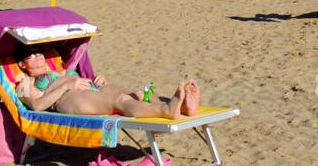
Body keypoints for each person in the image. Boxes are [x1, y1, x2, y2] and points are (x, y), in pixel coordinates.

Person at [12, 47, 200, 121]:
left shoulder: (58, 71)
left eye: (39, 53)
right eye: (30, 55)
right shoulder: (24, 83)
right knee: (120, 100)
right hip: (68, 99)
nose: (38, 57)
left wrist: (95, 81)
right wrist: (65, 86)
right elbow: (36, 106)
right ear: (22, 64)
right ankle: (166, 110)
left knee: (135, 92)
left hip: (88, 89)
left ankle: (183, 107)